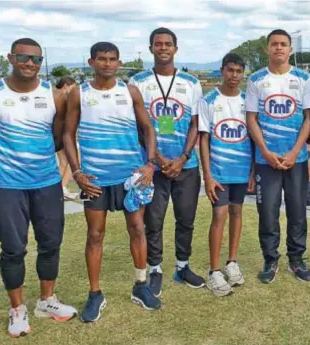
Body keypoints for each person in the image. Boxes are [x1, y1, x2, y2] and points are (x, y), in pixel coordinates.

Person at [0, 38, 77, 337]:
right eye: (24, 57)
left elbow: (57, 139)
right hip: (7, 185)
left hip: (46, 182)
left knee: (51, 243)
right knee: (13, 248)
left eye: (36, 59)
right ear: (11, 58)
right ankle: (17, 309)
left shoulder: (53, 96)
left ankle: (47, 300)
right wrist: (2, 164)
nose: (30, 63)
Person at [63, 42, 161, 323]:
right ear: (91, 62)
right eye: (102, 59)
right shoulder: (79, 94)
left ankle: (141, 286)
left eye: (113, 59)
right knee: (95, 235)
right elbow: (68, 135)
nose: (107, 64)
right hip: (95, 179)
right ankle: (95, 294)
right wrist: (77, 172)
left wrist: (150, 163)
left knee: (138, 229)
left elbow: (148, 127)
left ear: (119, 63)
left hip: (131, 177)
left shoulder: (129, 91)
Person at [130, 27, 205, 296]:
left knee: (186, 219)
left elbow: (197, 124)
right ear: (151, 48)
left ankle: (183, 266)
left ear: (176, 48)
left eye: (168, 43)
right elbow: (137, 127)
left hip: (186, 164)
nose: (163, 47)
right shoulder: (136, 82)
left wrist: (183, 157)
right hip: (152, 166)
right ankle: (155, 269)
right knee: (154, 220)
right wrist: (159, 159)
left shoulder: (191, 83)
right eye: (158, 43)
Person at [246, 29, 310, 283]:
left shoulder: (303, 78)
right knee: (268, 212)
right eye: (274, 44)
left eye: (283, 44)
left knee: (297, 211)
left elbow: (309, 118)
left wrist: (297, 151)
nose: (278, 48)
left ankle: (296, 260)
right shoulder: (256, 79)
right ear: (267, 49)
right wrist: (264, 150)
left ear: (290, 49)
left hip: (295, 159)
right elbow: (251, 119)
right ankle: (270, 259)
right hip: (267, 160)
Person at [198, 53, 254, 296]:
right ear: (222, 71)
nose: (234, 75)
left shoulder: (248, 101)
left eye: (239, 71)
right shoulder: (209, 100)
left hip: (241, 171)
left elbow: (253, 137)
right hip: (219, 172)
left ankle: (232, 262)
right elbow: (204, 139)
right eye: (230, 70)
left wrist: (252, 171)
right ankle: (214, 270)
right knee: (219, 216)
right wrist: (207, 175)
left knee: (237, 212)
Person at [55, 76, 79, 200]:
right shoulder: (60, 97)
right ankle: (59, 188)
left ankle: (61, 187)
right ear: (66, 86)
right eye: (72, 88)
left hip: (62, 134)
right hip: (62, 135)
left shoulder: (56, 96)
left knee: (68, 162)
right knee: (66, 161)